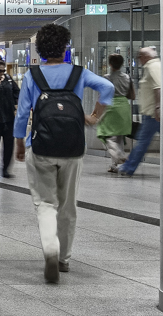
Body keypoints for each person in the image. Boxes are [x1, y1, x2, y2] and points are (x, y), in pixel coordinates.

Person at [13, 22, 113, 283]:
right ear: (65, 47)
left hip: (41, 146)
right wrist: (93, 116)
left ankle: (50, 249)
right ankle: (64, 259)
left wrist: (19, 143)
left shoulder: (32, 76)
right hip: (72, 148)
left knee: (45, 203)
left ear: (40, 50)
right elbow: (108, 88)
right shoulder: (79, 73)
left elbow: (23, 113)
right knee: (67, 205)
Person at [119, 45, 162, 177]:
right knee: (144, 141)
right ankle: (128, 166)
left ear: (145, 56)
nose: (138, 59)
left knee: (143, 141)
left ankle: (128, 167)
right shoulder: (153, 65)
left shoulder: (152, 66)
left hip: (153, 114)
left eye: (139, 56)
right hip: (151, 113)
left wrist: (158, 107)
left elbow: (159, 86)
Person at [98, 52, 136, 170]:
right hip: (124, 107)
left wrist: (97, 112)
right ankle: (114, 165)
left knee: (105, 133)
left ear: (110, 64)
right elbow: (133, 96)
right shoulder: (127, 77)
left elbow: (102, 96)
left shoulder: (106, 78)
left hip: (111, 107)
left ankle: (119, 156)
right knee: (119, 137)